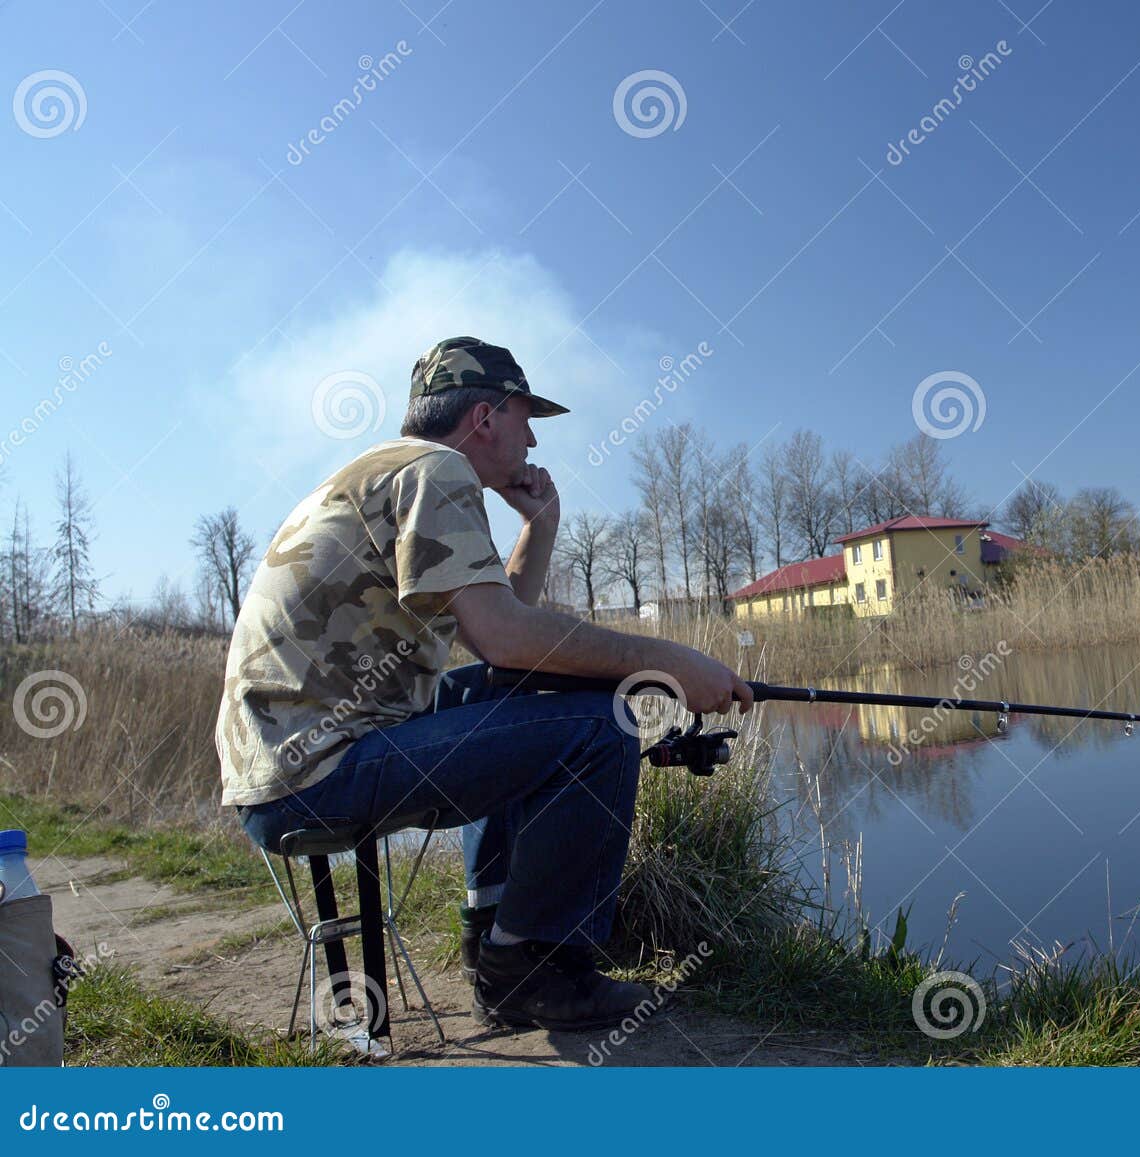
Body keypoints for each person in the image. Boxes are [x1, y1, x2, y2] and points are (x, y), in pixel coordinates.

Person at [215, 336, 752, 1031]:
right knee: (602, 721)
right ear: (486, 417)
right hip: (312, 777)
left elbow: (507, 652)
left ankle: (496, 941)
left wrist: (541, 522)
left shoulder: (389, 469)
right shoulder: (437, 471)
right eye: (526, 417)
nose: (532, 439)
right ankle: (533, 966)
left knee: (507, 695)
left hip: (288, 766)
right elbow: (506, 637)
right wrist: (669, 662)